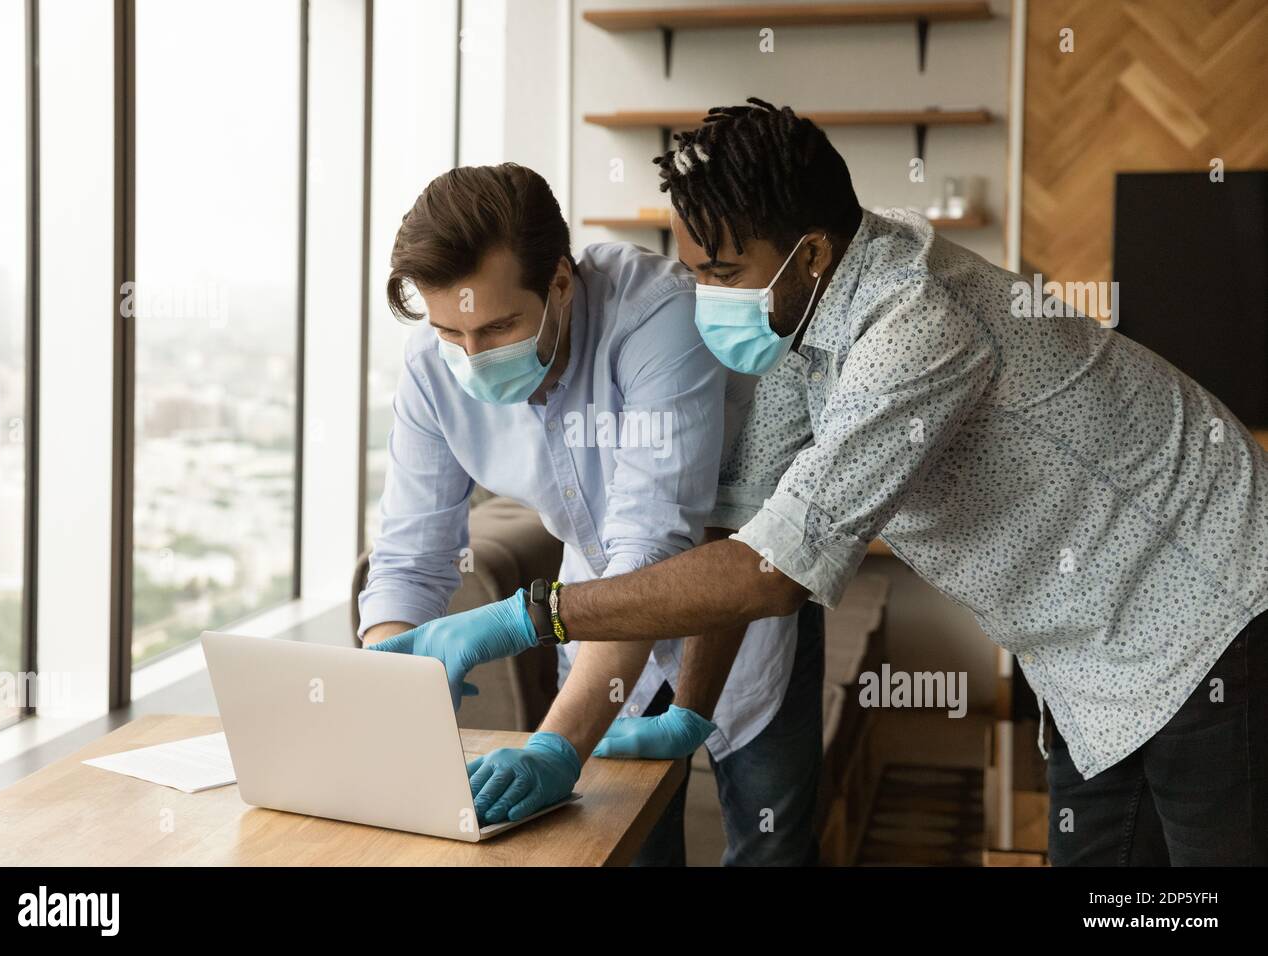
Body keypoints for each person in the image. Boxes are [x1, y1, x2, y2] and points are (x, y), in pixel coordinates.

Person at [382, 100, 1268, 866]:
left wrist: (531, 615)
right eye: (691, 269)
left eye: (721, 274)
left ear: (807, 255)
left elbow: (775, 573)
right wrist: (690, 710)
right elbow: (743, 529)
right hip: (1091, 660)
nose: (700, 298)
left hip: (1211, 607)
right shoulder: (798, 333)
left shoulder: (915, 323)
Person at [359, 162, 824, 865]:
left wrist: (556, 747)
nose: (473, 359)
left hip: (740, 619)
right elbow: (408, 557)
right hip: (597, 634)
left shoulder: (657, 314)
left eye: (498, 327)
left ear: (561, 282)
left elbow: (652, 548)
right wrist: (390, 682)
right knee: (625, 853)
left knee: (772, 851)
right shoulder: (432, 363)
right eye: (452, 334)